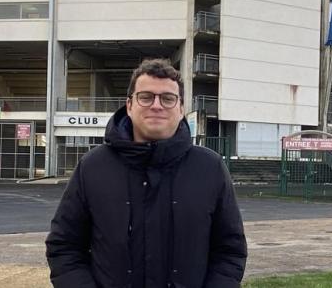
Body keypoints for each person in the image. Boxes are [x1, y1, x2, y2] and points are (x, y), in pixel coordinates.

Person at [46, 58, 247, 287]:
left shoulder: (210, 168)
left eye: (168, 98)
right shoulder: (93, 167)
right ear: (129, 105)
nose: (157, 105)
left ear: (181, 108)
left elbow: (230, 251)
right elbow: (64, 247)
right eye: (146, 96)